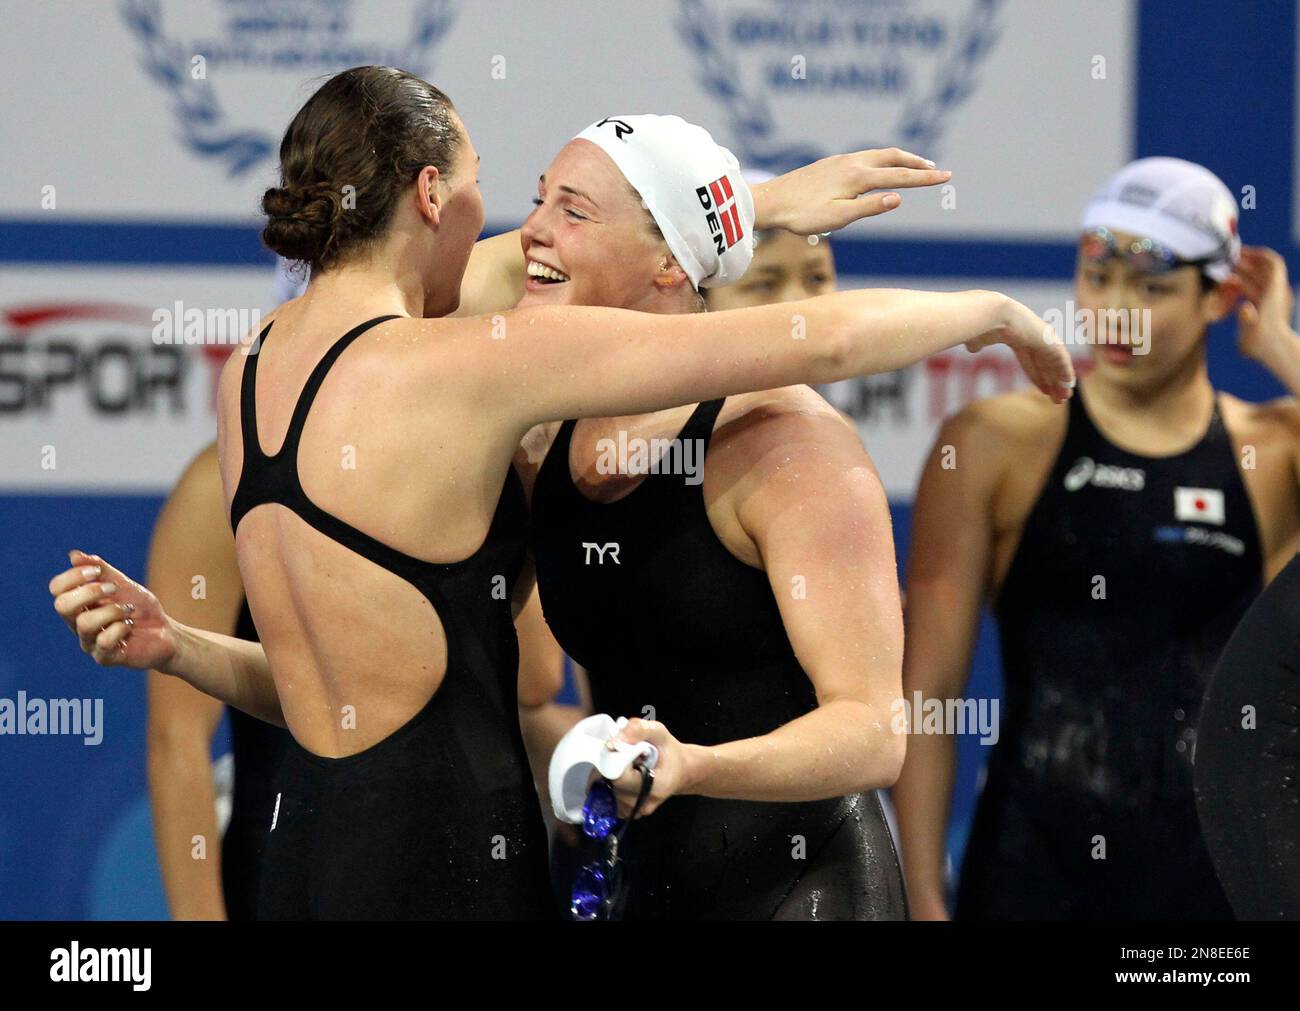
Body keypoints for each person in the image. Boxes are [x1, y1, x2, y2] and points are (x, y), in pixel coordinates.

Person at [48, 66, 1072, 920]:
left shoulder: (260, 366)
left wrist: (180, 648)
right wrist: (985, 308)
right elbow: (784, 320)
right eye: (515, 191)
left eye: (561, 206)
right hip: (471, 860)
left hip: (333, 859)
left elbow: (874, 731)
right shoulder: (499, 391)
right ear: (432, 195)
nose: (527, 230)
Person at [893, 157, 1300, 920]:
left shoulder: (1273, 452)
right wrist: (921, 897)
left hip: (1214, 887)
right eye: (1097, 275)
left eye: (1152, 286)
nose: (1116, 308)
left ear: (1219, 296)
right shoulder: (996, 440)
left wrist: (1279, 344)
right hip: (1027, 876)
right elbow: (929, 699)